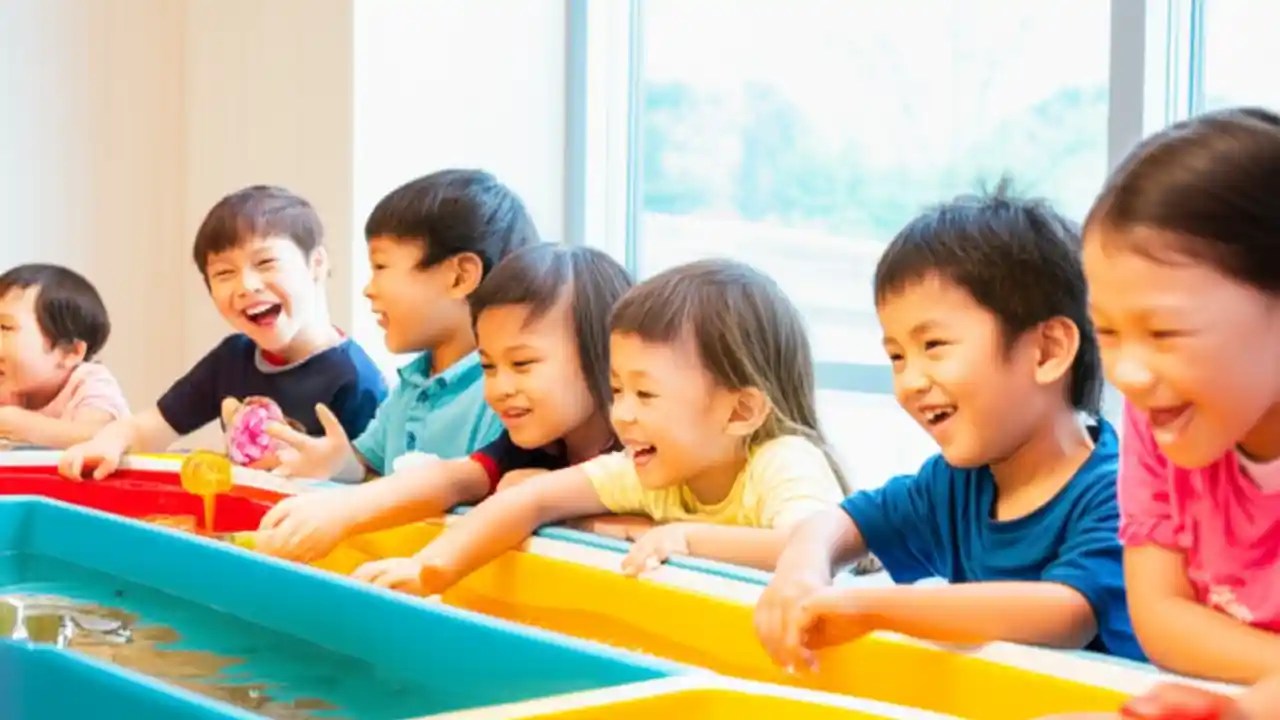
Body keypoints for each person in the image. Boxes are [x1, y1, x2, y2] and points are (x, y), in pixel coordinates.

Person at [756, 184, 1143, 672]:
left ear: (1046, 352)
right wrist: (802, 570)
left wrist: (870, 608)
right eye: (896, 356)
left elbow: (1064, 613)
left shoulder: (1118, 492)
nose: (910, 382)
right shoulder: (955, 484)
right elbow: (839, 522)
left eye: (934, 345)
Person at [349, 258, 847, 595]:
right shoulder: (653, 466)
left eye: (646, 394)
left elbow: (813, 546)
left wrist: (684, 538)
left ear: (739, 412)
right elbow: (530, 500)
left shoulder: (784, 461)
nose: (623, 413)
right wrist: (428, 569)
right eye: (618, 390)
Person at [253, 244, 632, 562]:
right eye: (488, 366)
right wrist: (340, 511)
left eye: (522, 364)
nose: (499, 387)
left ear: (603, 355)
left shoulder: (645, 449)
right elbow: (450, 479)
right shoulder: (531, 448)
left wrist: (569, 511)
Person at [1080, 108, 1280, 699]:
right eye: (1107, 333)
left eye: (1165, 333)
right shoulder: (1164, 415)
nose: (1129, 374)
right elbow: (1161, 616)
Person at [59, 185, 386, 479]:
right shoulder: (232, 358)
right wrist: (107, 442)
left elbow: (378, 486)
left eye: (266, 262)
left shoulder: (356, 379)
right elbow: (150, 428)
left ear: (316, 264)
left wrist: (340, 469)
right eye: (225, 272)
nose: (247, 285)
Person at [267, 170, 538, 481]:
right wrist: (340, 465)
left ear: (460, 276)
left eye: (380, 266)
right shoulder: (410, 387)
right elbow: (373, 475)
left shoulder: (501, 395)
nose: (369, 289)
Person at [0, 263, 128, 447]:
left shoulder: (89, 382)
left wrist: (18, 424)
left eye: (4, 327)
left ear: (70, 352)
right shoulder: (10, 385)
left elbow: (101, 435)